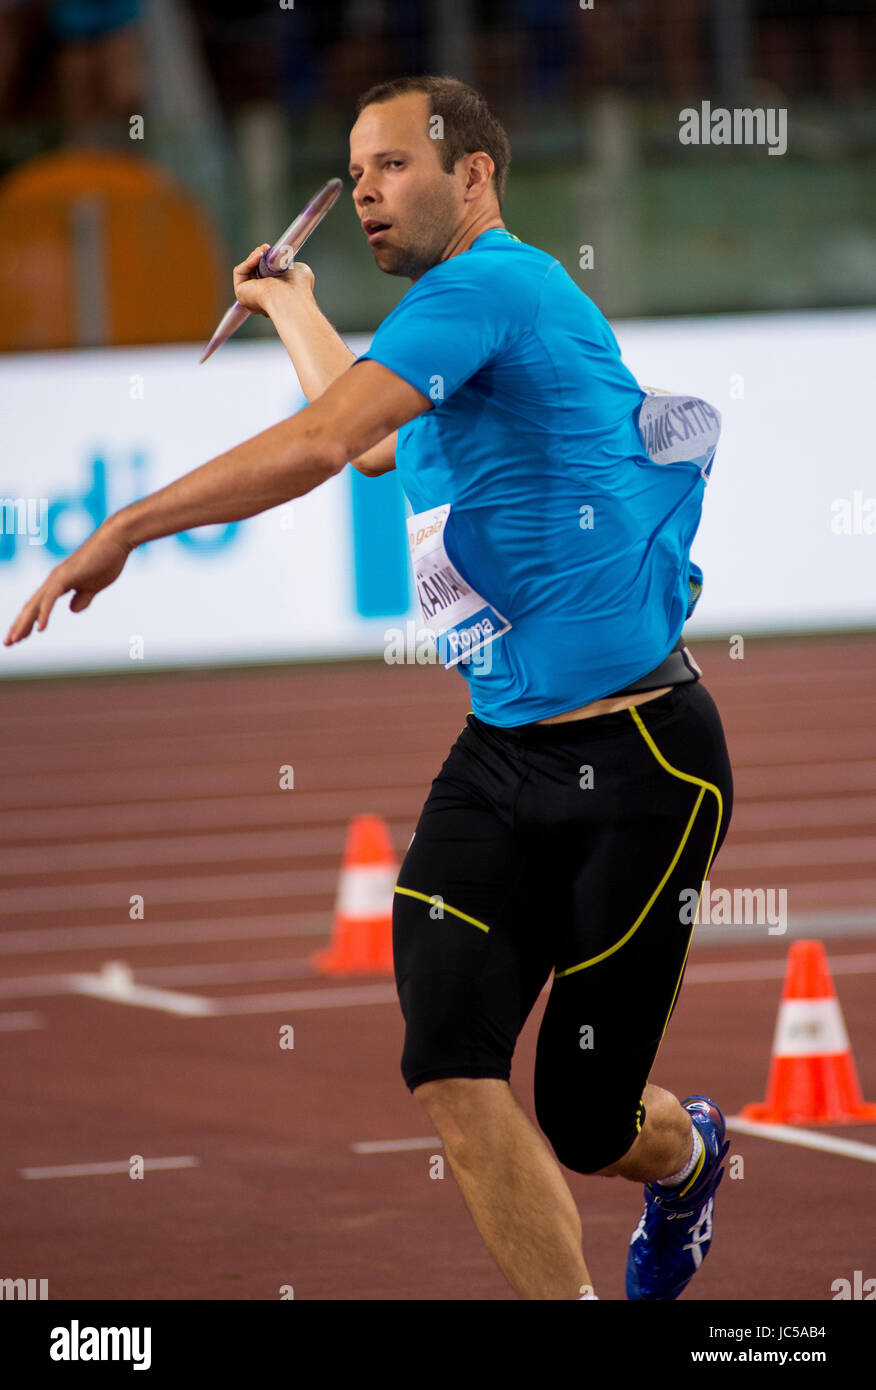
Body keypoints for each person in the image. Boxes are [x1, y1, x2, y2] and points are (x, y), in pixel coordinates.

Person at [5, 74, 733, 1301]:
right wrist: (293, 302)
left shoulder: (497, 287)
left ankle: (693, 1158)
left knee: (587, 1117)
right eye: (353, 176)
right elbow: (380, 435)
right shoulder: (453, 327)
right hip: (500, 757)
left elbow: (323, 445)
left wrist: (129, 525)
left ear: (476, 175)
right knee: (450, 1066)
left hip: (645, 763)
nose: (364, 194)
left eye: (392, 167)